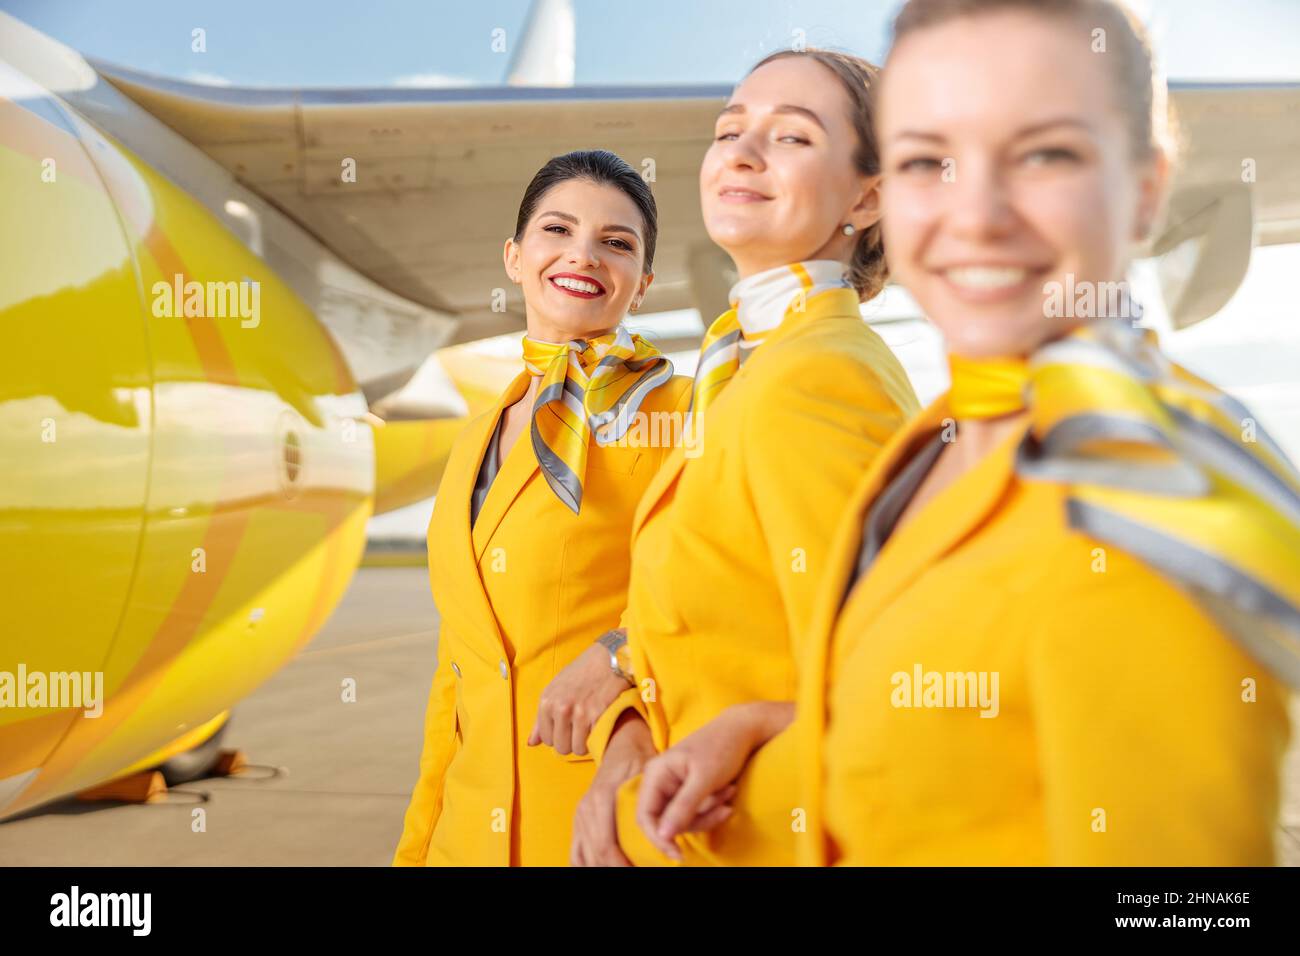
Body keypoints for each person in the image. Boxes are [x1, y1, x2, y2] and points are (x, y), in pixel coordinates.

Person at [781, 0, 1297, 865]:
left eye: (1045, 153)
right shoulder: (953, 429)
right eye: (926, 161)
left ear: (1146, 187)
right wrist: (776, 739)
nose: (975, 215)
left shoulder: (1142, 507)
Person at [532, 50, 921, 866]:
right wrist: (632, 736)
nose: (741, 153)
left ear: (868, 194)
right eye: (729, 130)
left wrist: (740, 733)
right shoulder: (743, 365)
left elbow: (898, 689)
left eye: (791, 136)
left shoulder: (820, 373)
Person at [392, 150, 692, 866]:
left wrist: (621, 653)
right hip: (465, 839)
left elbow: (737, 600)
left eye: (616, 243)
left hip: (605, 829)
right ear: (515, 256)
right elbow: (457, 679)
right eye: (557, 230)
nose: (582, 254)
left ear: (642, 284)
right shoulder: (475, 437)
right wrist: (418, 848)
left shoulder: (682, 417)